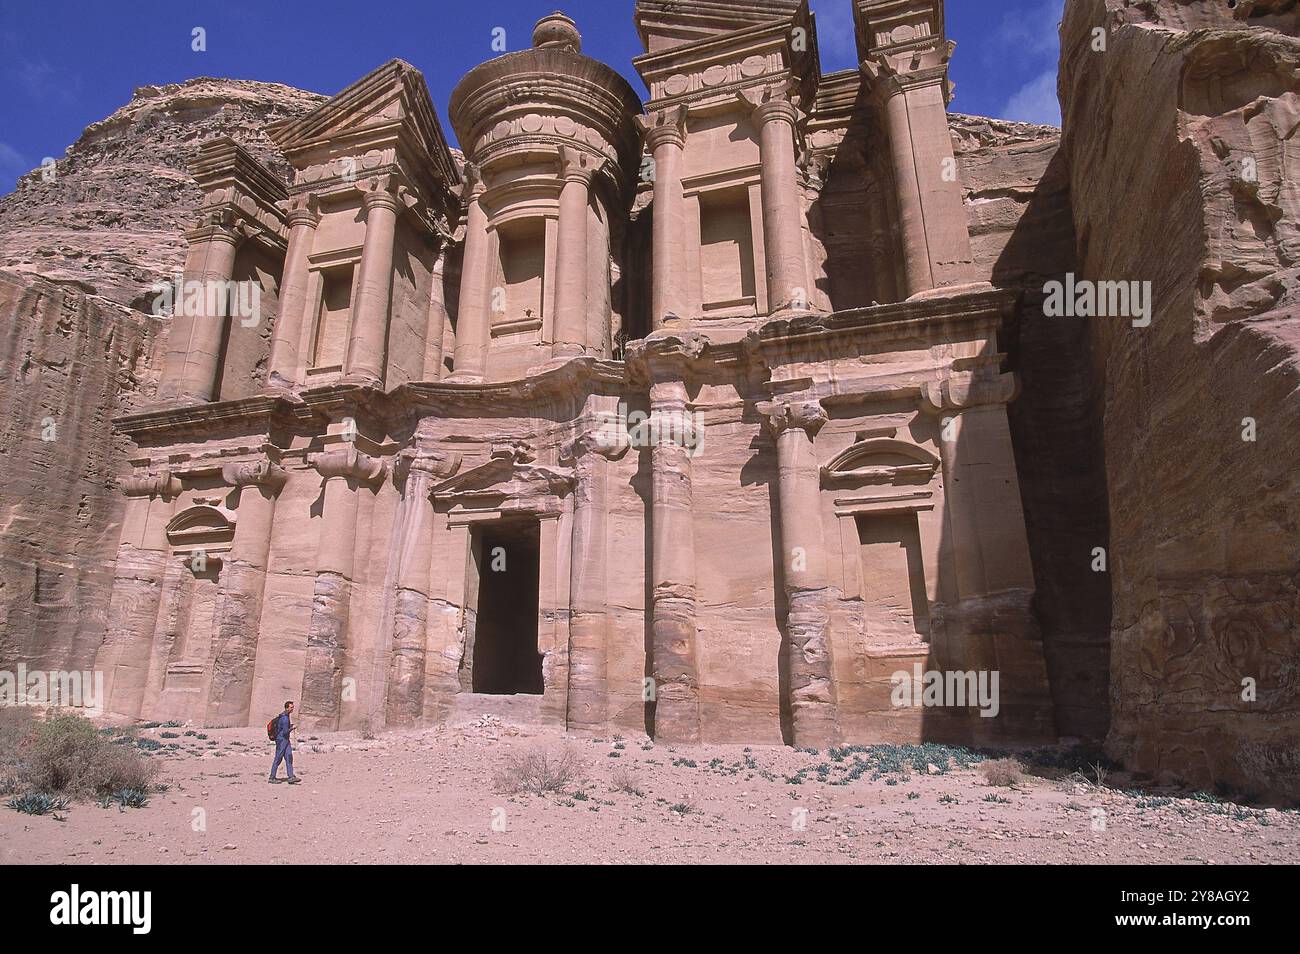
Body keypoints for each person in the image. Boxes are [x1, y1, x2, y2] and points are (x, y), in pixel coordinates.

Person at [269, 700, 301, 784]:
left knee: (289, 757)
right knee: (278, 759)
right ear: (287, 708)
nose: (292, 709)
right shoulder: (284, 718)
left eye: (293, 707)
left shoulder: (285, 716)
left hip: (286, 741)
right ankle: (272, 777)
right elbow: (285, 732)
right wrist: (292, 728)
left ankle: (291, 777)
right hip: (281, 740)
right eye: (291, 707)